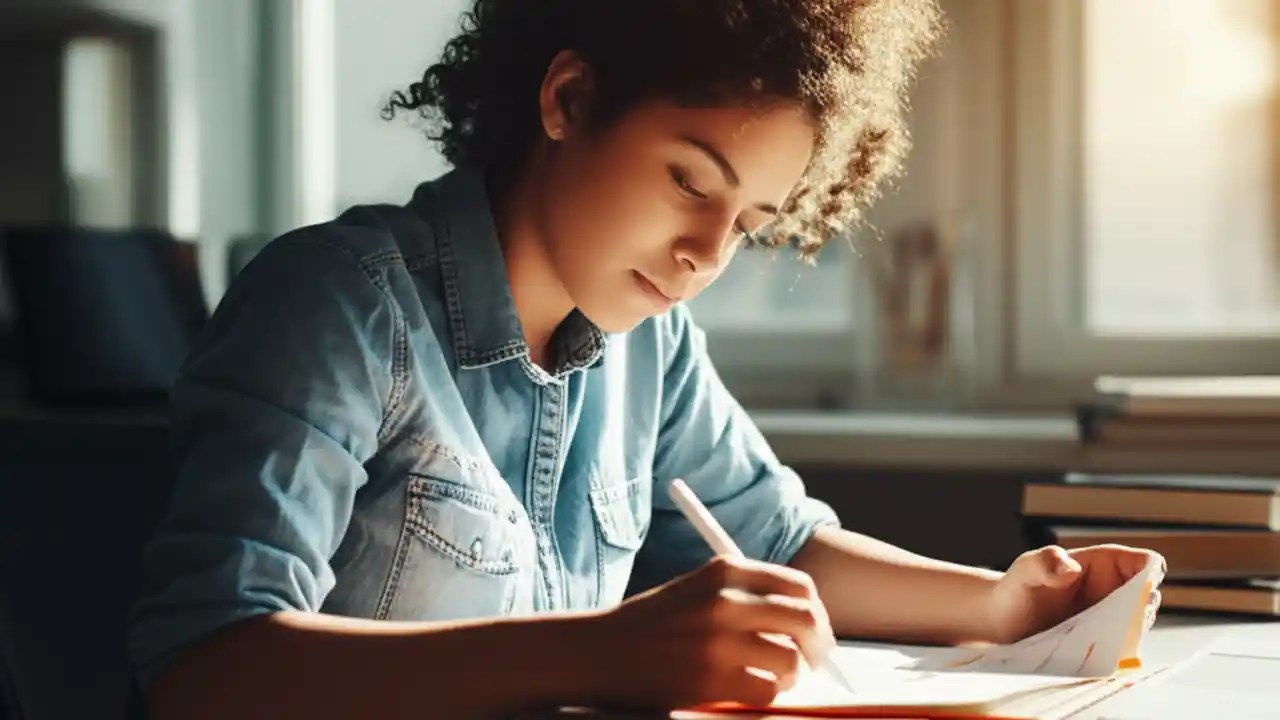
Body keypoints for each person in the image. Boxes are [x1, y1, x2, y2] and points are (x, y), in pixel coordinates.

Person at [129, 1, 1159, 718]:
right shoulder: (335, 306)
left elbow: (779, 544)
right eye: (686, 180)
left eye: (750, 220)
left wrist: (1002, 603)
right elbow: (206, 674)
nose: (708, 255)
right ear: (568, 100)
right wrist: (596, 651)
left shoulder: (646, 341)